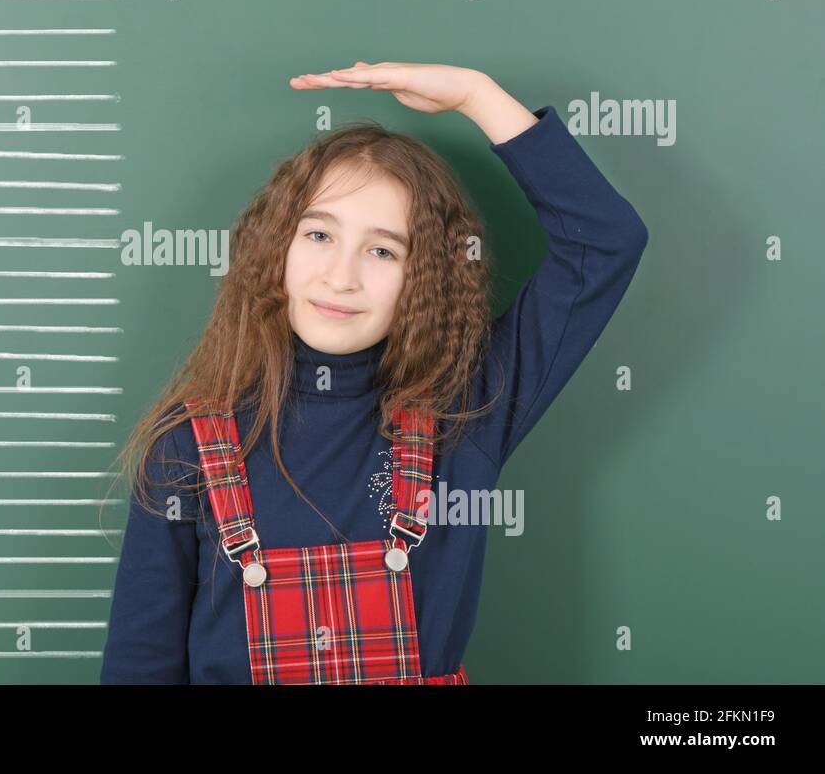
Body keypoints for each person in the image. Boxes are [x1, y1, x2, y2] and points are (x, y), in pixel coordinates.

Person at [98, 62, 649, 684]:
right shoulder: (188, 445)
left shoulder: (467, 411)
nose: (342, 276)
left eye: (383, 250)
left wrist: (477, 96)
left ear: (426, 278)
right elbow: (139, 667)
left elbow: (606, 239)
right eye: (318, 235)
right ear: (275, 247)